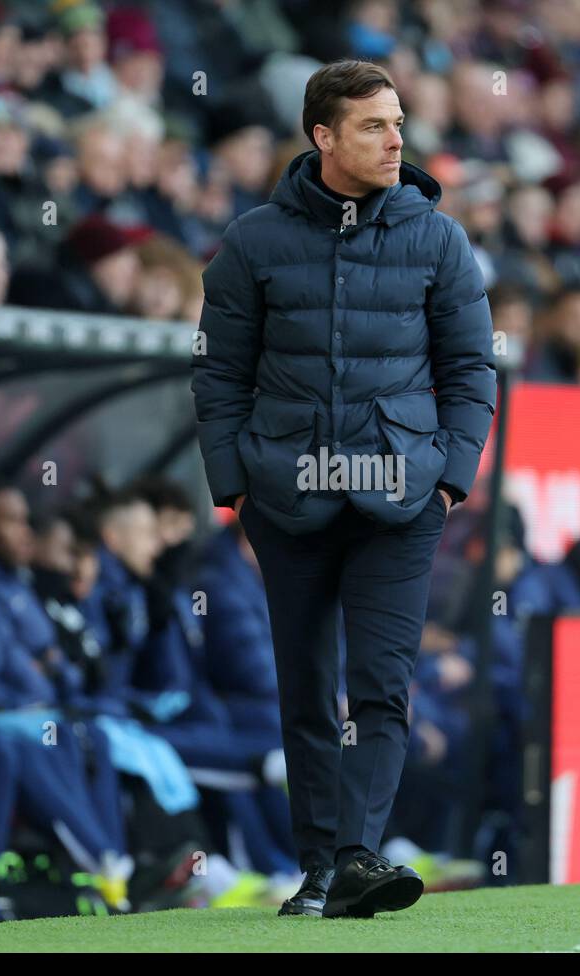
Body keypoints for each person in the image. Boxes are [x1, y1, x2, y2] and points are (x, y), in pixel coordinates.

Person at [190, 59, 496, 918]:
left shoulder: (439, 238)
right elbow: (217, 376)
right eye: (373, 126)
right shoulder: (253, 241)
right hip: (286, 500)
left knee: (382, 684)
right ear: (322, 136)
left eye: (398, 122)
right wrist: (236, 490)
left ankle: (355, 857)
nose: (396, 139)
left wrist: (449, 481)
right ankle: (320, 866)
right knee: (305, 689)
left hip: (403, 500)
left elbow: (471, 369)